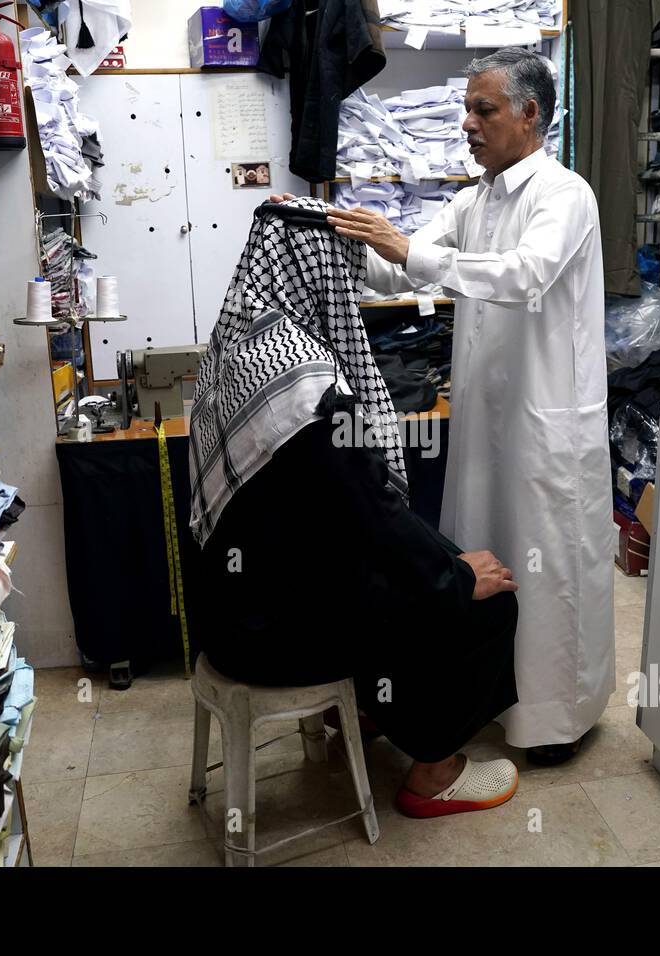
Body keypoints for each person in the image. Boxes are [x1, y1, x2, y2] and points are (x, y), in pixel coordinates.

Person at [323, 48, 615, 765]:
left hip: (548, 422)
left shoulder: (563, 194)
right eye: (467, 110)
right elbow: (409, 260)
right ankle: (487, 699)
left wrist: (408, 251)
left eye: (483, 110)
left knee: (549, 571)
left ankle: (554, 720)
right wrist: (347, 238)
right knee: (484, 555)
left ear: (529, 114)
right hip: (488, 422)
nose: (468, 125)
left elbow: (526, 275)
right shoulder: (476, 198)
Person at [189, 197, 523, 816]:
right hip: (273, 632)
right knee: (484, 602)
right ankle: (435, 771)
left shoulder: (234, 346)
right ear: (319, 270)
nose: (348, 284)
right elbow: (374, 513)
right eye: (343, 268)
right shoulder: (306, 384)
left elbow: (346, 506)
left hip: (228, 608)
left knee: (418, 567)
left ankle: (370, 712)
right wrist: (455, 579)